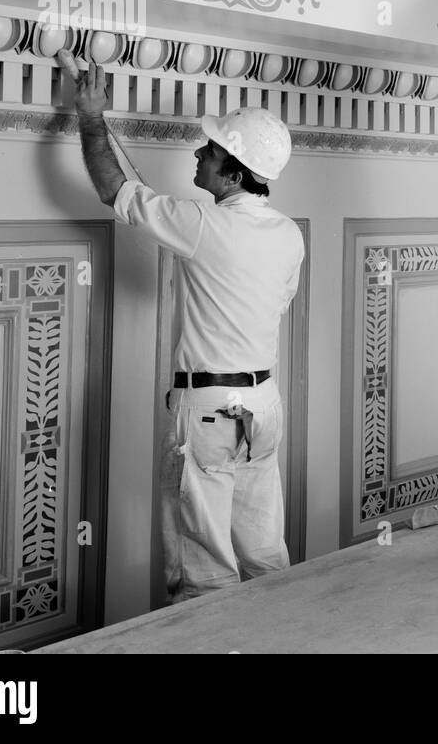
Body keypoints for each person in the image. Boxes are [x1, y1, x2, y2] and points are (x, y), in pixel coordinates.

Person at [72, 64, 305, 602]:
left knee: (202, 572)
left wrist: (90, 118)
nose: (198, 155)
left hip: (208, 414)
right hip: (263, 405)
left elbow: (114, 189)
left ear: (235, 172)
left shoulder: (206, 225)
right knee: (265, 554)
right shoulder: (288, 234)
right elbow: (281, 301)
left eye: (211, 150)